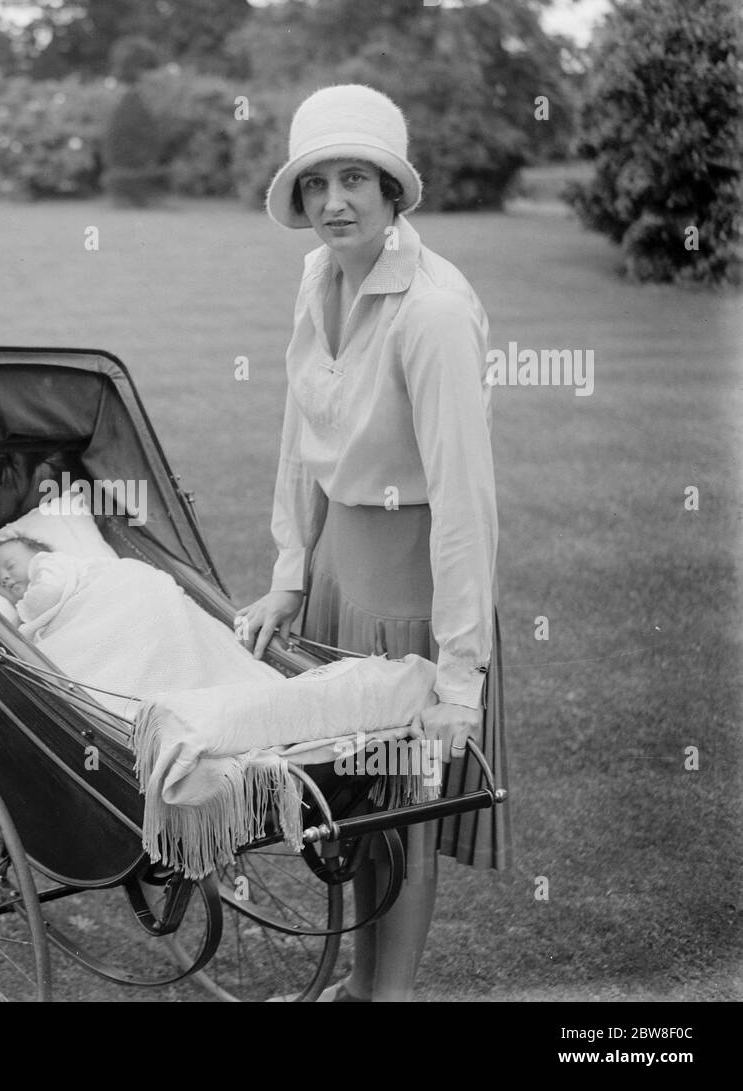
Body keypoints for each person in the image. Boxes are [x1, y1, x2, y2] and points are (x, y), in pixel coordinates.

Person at [237, 84, 511, 1001]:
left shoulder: (433, 312)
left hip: (408, 592)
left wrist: (459, 679)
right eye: (316, 183)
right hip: (335, 580)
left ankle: (388, 1002)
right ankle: (356, 992)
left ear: (394, 191)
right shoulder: (318, 278)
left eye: (355, 178)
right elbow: (298, 434)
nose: (332, 203)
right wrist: (287, 573)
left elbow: (468, 503)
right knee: (350, 812)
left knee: (404, 816)